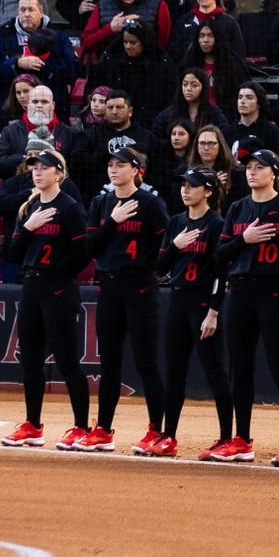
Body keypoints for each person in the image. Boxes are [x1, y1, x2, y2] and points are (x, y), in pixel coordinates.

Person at [215, 150, 279, 461]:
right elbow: (220, 254)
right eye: (249, 167)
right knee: (240, 368)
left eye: (259, 167)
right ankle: (241, 439)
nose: (252, 172)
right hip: (239, 291)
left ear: (274, 173)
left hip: (273, 290)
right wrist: (245, 239)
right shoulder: (238, 207)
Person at [1, 151, 94, 448]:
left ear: (59, 173)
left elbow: (83, 255)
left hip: (58, 289)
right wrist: (28, 227)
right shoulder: (29, 207)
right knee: (30, 362)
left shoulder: (70, 207)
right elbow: (13, 254)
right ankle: (32, 425)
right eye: (35, 168)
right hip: (31, 286)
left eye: (45, 168)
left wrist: (60, 272)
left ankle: (81, 427)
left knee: (67, 361)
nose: (38, 173)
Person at [85, 147, 171, 454]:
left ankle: (156, 431)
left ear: (135, 170)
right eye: (110, 164)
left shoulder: (149, 203)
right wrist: (112, 221)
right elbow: (89, 248)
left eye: (120, 164)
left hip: (140, 288)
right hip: (109, 287)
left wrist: (154, 270)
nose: (113, 169)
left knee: (146, 362)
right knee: (109, 363)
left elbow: (166, 242)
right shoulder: (101, 203)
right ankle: (103, 430)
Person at [159, 169, 240, 463]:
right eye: (183, 184)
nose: (185, 190)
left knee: (215, 372)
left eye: (192, 186)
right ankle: (168, 436)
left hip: (203, 301)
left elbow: (221, 272)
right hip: (178, 299)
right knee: (174, 371)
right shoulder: (175, 222)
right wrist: (175, 246)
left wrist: (213, 312)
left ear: (207, 191)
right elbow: (159, 267)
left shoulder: (217, 224)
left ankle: (226, 438)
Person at [0, 0, 81, 119]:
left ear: (41, 12)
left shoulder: (58, 36)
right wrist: (16, 64)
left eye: (31, 10)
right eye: (22, 10)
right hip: (12, 110)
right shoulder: (5, 35)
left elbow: (72, 71)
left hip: (51, 108)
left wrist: (44, 65)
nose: (26, 14)